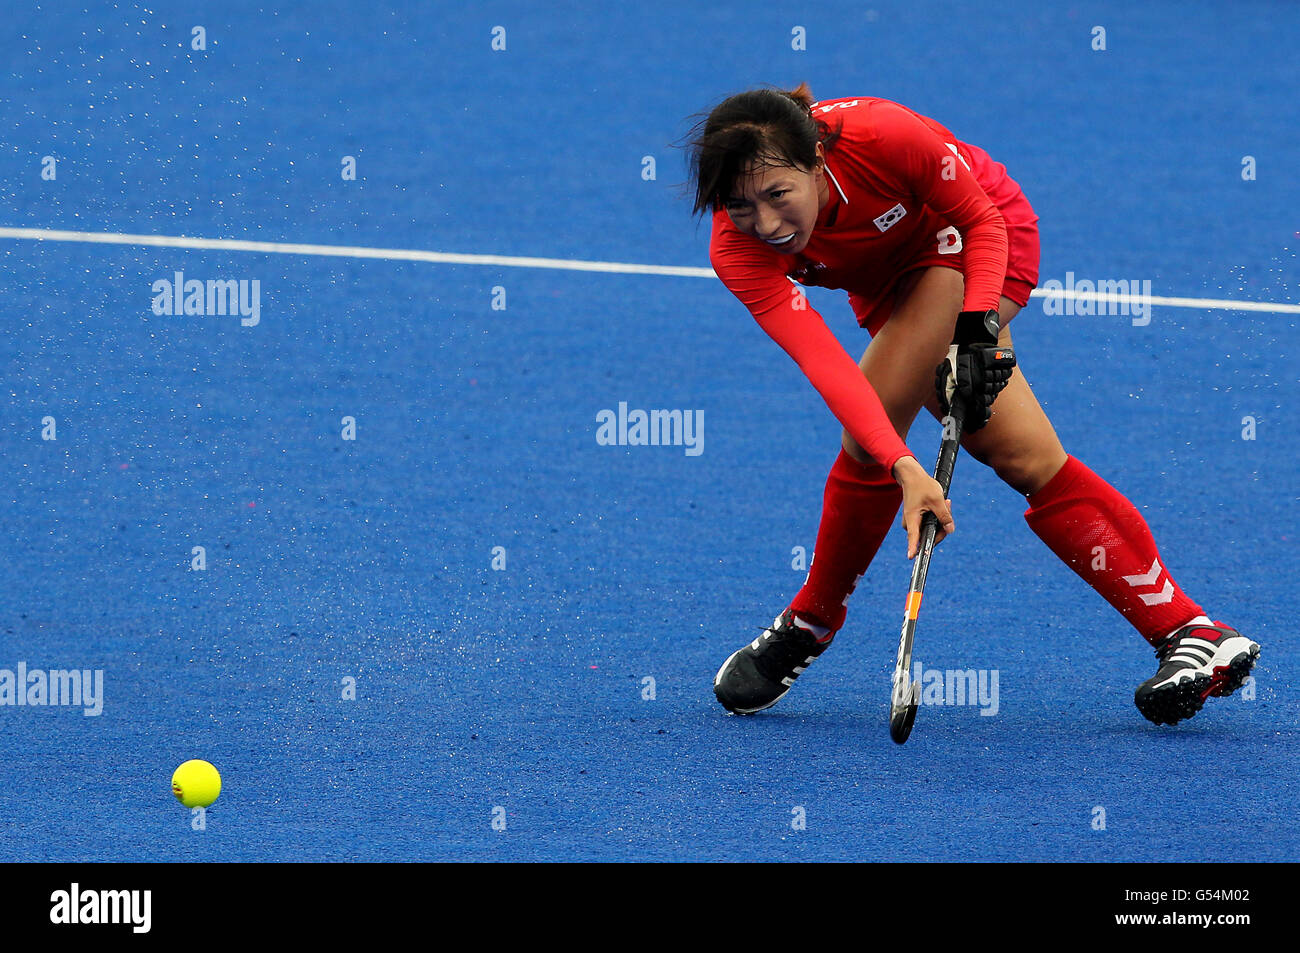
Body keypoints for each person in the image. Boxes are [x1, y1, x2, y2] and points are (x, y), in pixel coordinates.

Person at [687, 84, 1259, 726]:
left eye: (777, 196)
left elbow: (982, 219)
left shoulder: (882, 136)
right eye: (739, 205)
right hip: (886, 279)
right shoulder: (736, 251)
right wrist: (907, 467)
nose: (766, 224)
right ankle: (1191, 633)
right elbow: (824, 364)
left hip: (977, 236)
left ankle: (810, 622)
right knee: (1017, 454)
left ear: (817, 162)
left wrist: (978, 338)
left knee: (874, 436)